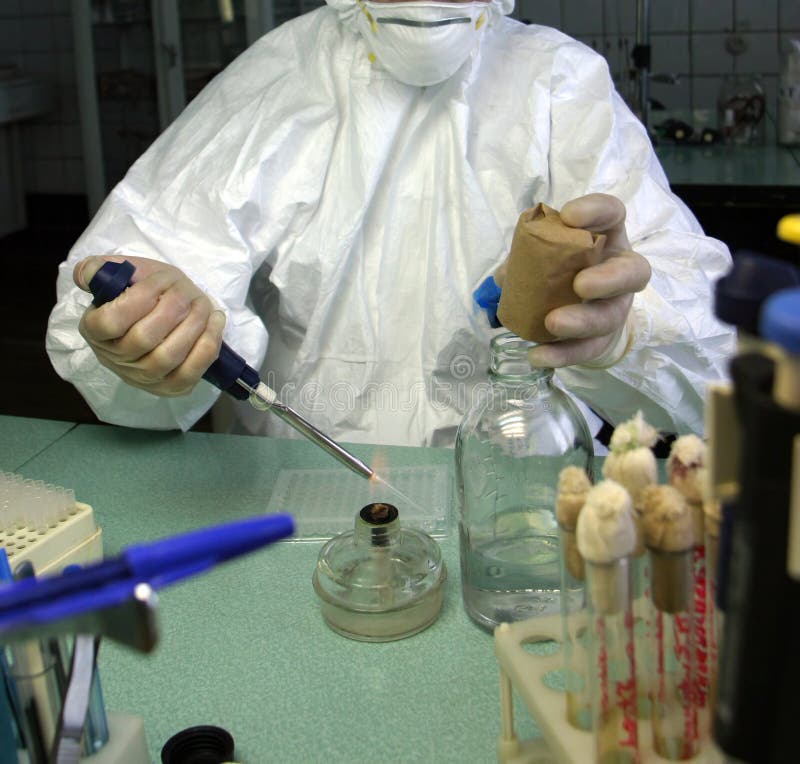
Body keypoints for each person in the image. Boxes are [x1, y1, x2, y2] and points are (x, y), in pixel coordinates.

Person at [46, 0, 735, 449]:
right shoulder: (284, 74)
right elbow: (130, 280)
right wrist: (149, 339)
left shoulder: (559, 86)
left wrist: (628, 330)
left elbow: (712, 367)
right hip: (304, 489)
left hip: (521, 496)